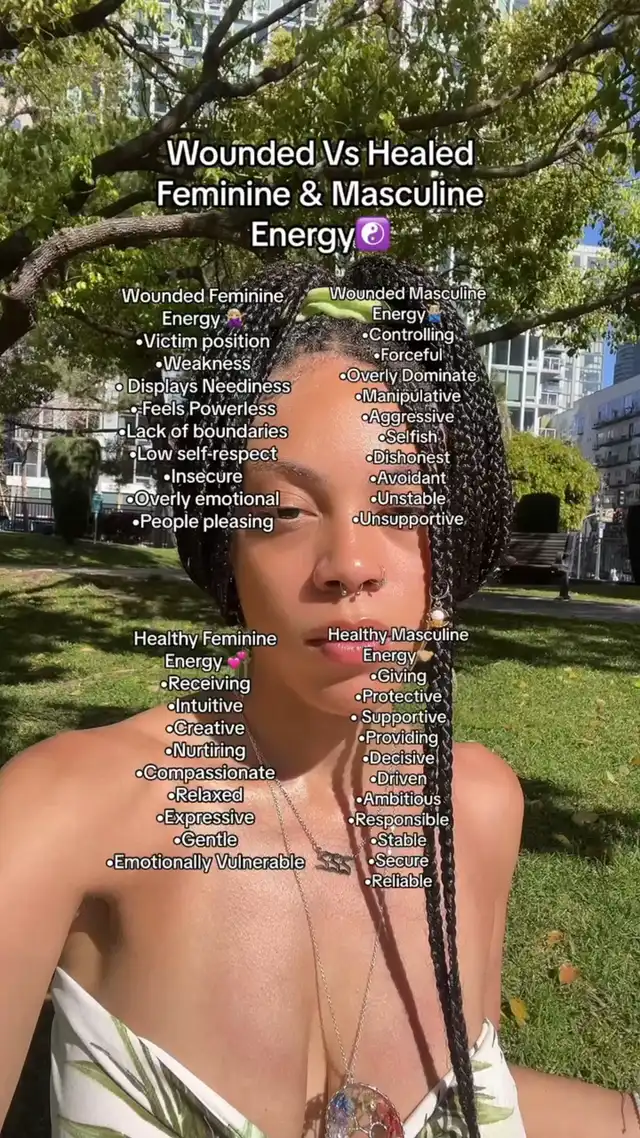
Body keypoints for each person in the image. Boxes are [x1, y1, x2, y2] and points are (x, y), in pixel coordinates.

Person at [0, 257, 637, 1138]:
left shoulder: (477, 809)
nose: (350, 565)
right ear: (225, 546)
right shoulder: (61, 812)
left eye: (402, 505)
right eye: (286, 512)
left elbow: (474, 1086)